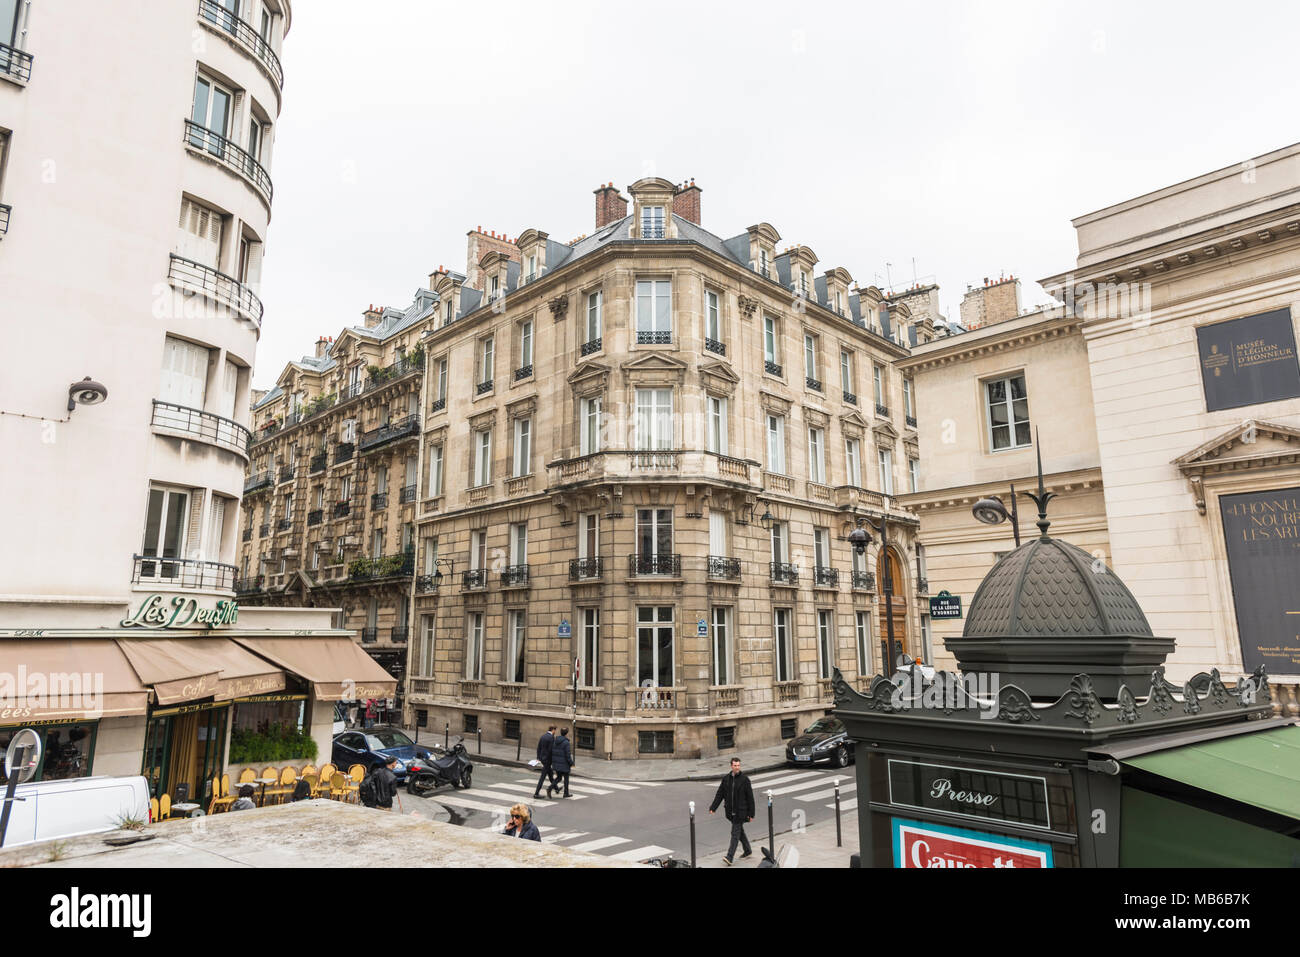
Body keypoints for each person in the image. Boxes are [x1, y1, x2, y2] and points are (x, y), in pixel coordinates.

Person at [709, 757, 755, 865]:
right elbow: (720, 794)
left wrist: (751, 814)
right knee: (740, 832)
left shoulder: (745, 780)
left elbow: (750, 798)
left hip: (741, 812)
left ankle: (729, 857)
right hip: (730, 812)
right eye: (735, 765)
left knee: (735, 833)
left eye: (738, 765)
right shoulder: (726, 779)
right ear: (731, 766)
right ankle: (747, 850)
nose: (737, 767)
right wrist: (713, 807)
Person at [533, 725, 559, 799]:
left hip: (542, 758)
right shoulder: (551, 738)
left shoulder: (543, 736)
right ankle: (536, 793)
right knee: (542, 777)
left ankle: (556, 788)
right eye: (555, 730)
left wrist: (538, 757)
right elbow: (551, 750)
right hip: (548, 760)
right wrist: (553, 760)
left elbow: (539, 747)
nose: (555, 732)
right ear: (553, 730)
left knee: (550, 774)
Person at [551, 727, 574, 798]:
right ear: (566, 734)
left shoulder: (556, 740)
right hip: (564, 764)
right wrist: (571, 763)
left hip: (557, 763)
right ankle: (566, 793)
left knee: (559, 777)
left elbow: (553, 751)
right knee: (566, 779)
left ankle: (550, 788)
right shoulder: (566, 742)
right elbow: (568, 755)